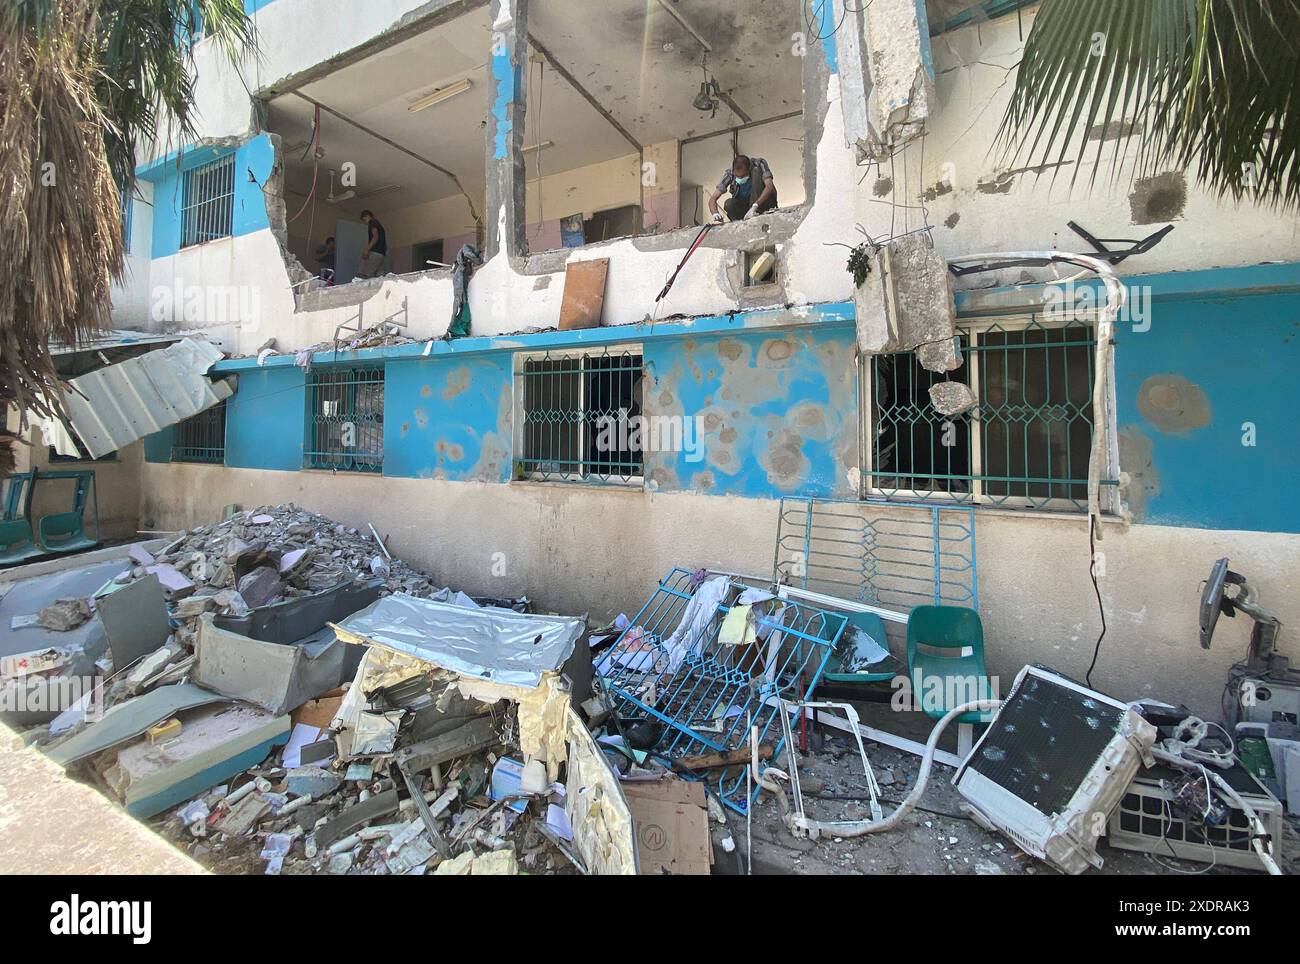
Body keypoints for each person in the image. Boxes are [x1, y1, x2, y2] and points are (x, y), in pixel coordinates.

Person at [709, 154, 777, 223]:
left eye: (742, 176)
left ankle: (756, 210)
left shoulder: (759, 164)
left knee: (756, 171)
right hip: (745, 205)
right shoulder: (730, 173)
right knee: (728, 204)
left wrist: (755, 205)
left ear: (748, 170)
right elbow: (713, 198)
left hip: (763, 202)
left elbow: (769, 186)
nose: (739, 178)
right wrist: (715, 213)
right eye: (737, 176)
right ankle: (739, 221)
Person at [357, 210, 389, 278]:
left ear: (367, 216)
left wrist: (367, 249)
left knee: (363, 274)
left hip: (375, 252)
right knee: (380, 277)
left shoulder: (373, 222)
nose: (364, 222)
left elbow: (375, 237)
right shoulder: (378, 224)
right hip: (381, 254)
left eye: (364, 220)